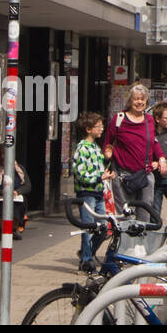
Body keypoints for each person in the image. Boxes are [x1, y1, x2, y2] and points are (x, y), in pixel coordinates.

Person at [103, 85, 166, 211]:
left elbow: (153, 142)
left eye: (142, 99)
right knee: (126, 214)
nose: (139, 102)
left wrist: (162, 158)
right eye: (136, 99)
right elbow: (107, 144)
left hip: (145, 174)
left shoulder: (149, 120)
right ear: (130, 101)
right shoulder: (119, 119)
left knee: (145, 213)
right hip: (123, 175)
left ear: (146, 102)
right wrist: (108, 153)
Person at [71, 112, 112, 268]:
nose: (102, 129)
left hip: (98, 192)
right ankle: (86, 261)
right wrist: (99, 178)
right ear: (88, 129)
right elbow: (80, 173)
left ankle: (86, 253)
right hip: (87, 193)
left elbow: (98, 169)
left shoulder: (95, 147)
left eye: (102, 126)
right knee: (88, 227)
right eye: (98, 126)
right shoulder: (82, 148)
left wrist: (107, 170)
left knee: (103, 228)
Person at [0, 151, 29, 238]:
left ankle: (13, 229)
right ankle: (6, 231)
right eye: (0, 154)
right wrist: (1, 192)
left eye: (5, 154)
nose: (3, 157)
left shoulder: (19, 168)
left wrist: (17, 192)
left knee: (18, 205)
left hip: (15, 195)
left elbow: (27, 186)